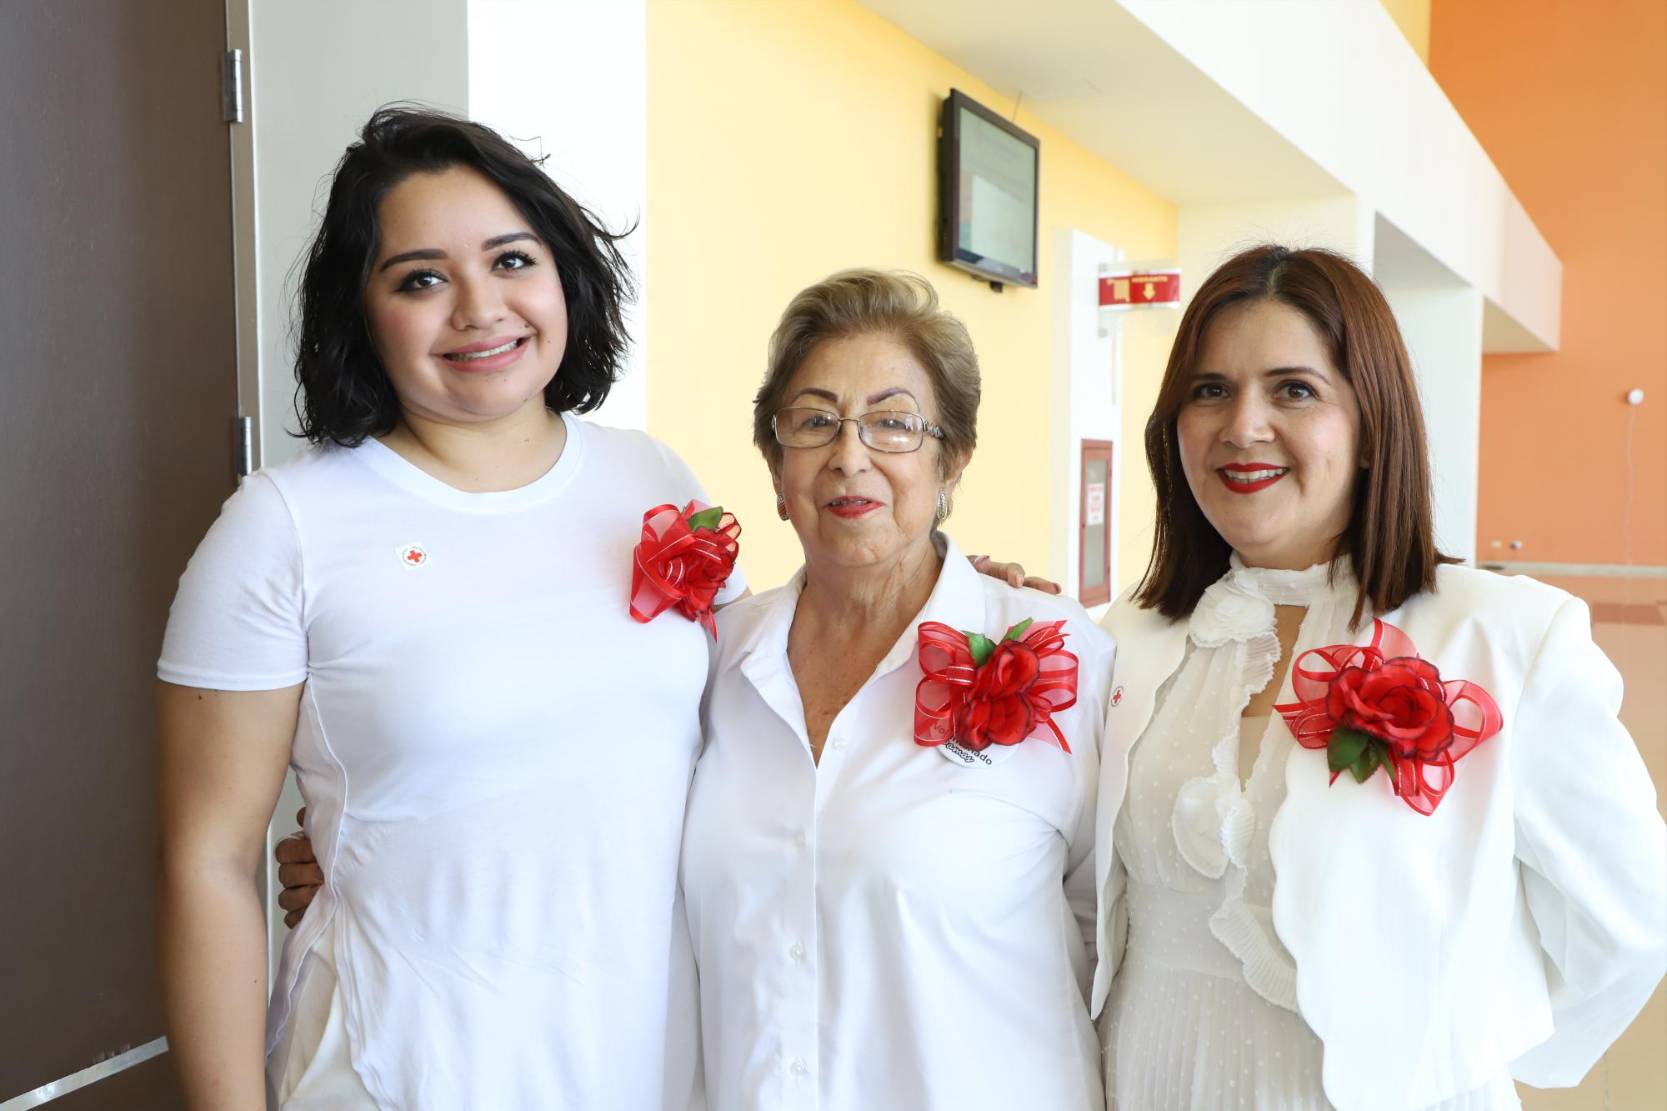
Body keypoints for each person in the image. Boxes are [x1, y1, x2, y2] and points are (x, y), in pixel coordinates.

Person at [156, 107, 748, 1109]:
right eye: (420, 278)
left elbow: (751, 719)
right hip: (405, 1067)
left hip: (650, 1057)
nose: (478, 308)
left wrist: (937, 593)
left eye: (511, 259)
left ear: (565, 274)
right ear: (361, 311)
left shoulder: (652, 477)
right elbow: (205, 861)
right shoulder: (286, 526)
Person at [1090, 244, 1667, 1110]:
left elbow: (1629, 921)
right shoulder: (1125, 640)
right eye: (1208, 389)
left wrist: (1458, 1041)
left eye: (1294, 389)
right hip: (1150, 1077)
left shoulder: (1501, 634)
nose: (1242, 425)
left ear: (1369, 427)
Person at [679, 269, 1114, 1109]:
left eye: (893, 423)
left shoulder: (1060, 658)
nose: (849, 455)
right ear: (776, 469)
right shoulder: (714, 663)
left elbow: (1117, 933)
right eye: (813, 422)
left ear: (952, 459)